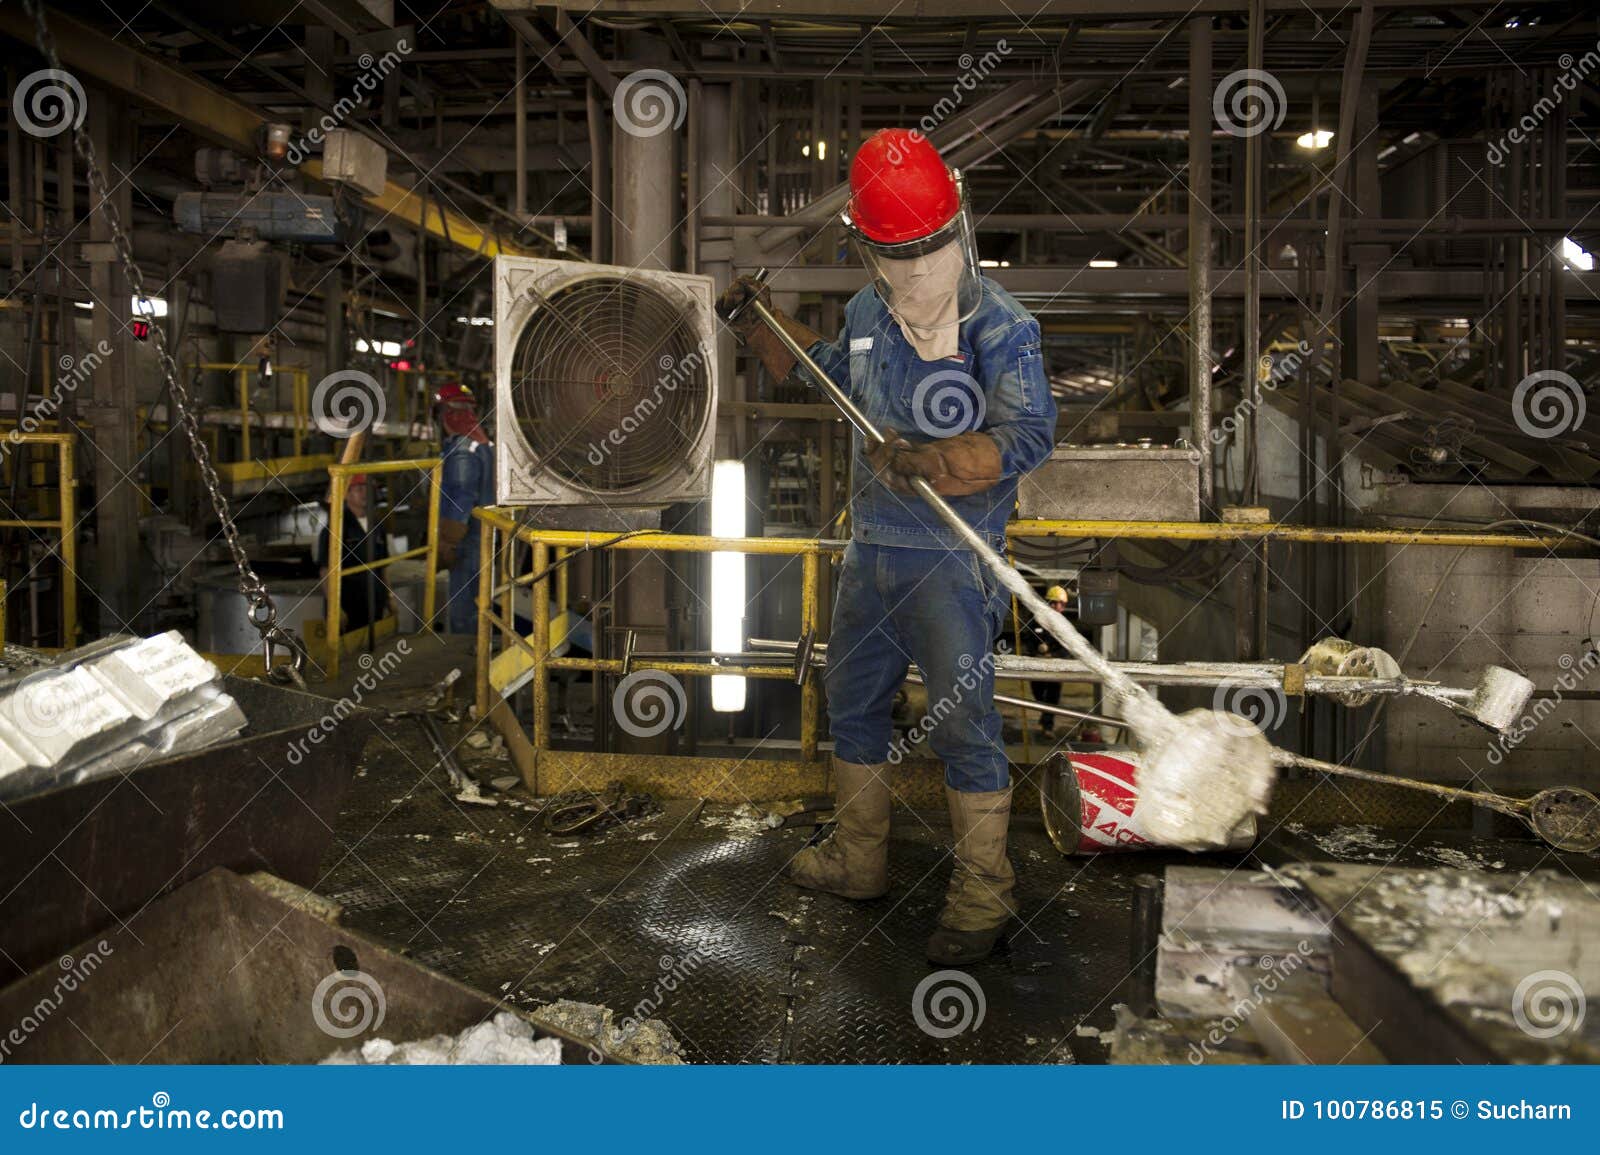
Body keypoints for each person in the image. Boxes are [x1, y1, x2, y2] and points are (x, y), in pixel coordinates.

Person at [717, 128, 1057, 965]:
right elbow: (833, 370)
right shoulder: (871, 312)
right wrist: (768, 329)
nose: (917, 269)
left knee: (966, 728)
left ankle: (983, 893)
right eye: (897, 253)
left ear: (959, 226)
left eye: (929, 248)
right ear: (869, 251)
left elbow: (1029, 436)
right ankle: (858, 859)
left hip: (951, 557)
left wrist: (937, 458)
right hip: (870, 552)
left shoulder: (1000, 327)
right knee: (853, 704)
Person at [435, 382, 496, 637]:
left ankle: (469, 662)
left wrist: (448, 542)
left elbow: (462, 496)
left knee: (464, 611)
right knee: (481, 603)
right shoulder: (481, 442)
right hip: (485, 538)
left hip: (468, 543)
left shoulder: (462, 448)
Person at [320, 473, 390, 632]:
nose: (365, 493)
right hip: (349, 607)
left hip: (375, 604)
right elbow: (325, 571)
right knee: (350, 653)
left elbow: (383, 566)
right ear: (346, 494)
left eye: (367, 488)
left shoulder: (377, 525)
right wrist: (335, 609)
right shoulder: (336, 527)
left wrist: (389, 598)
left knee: (376, 651)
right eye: (359, 489)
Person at [1025, 585, 1071, 738]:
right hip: (1037, 667)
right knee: (1038, 695)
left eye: (1062, 604)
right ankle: (1045, 717)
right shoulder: (1036, 621)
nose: (1058, 607)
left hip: (1055, 669)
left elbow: (1067, 649)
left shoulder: (1064, 626)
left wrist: (1052, 655)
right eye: (1055, 603)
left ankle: (1047, 726)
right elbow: (1028, 641)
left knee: (1052, 697)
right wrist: (1035, 653)